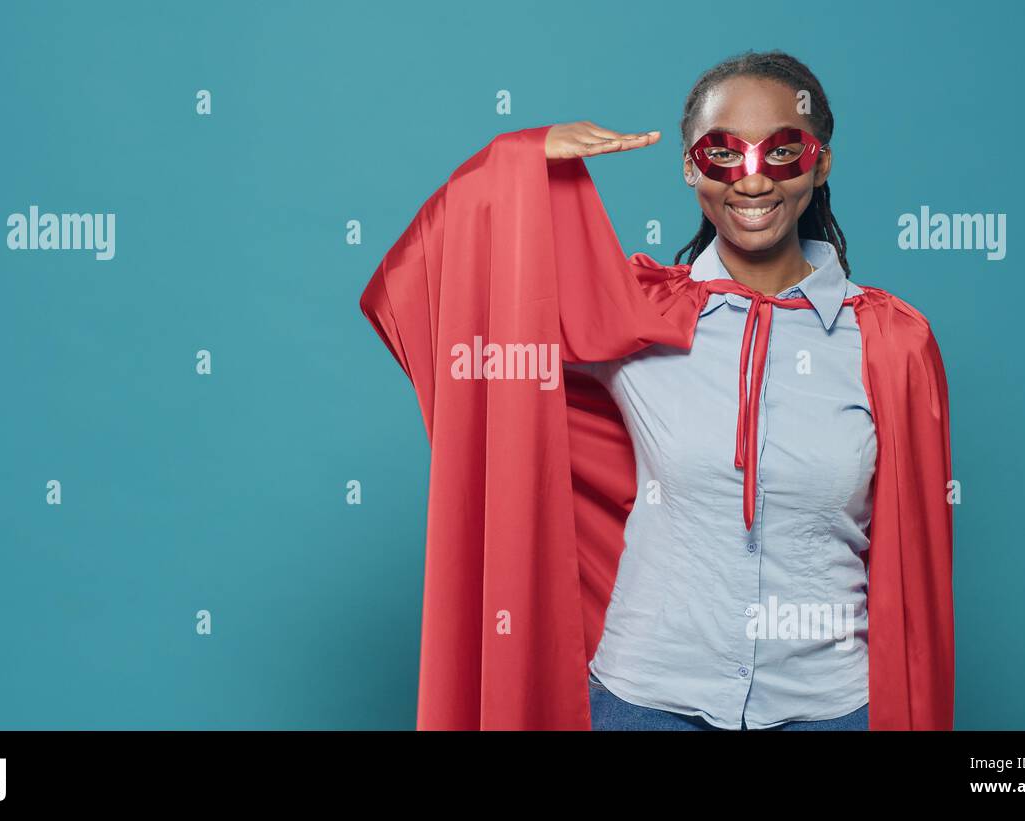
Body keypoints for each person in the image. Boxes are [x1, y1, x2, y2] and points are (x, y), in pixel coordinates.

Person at [359, 49, 954, 731]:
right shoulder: (639, 316)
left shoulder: (891, 342)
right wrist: (515, 162)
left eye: (783, 152)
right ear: (689, 167)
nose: (752, 180)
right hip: (648, 703)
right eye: (722, 153)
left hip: (830, 707)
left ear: (821, 164)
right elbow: (439, 296)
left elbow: (915, 571)